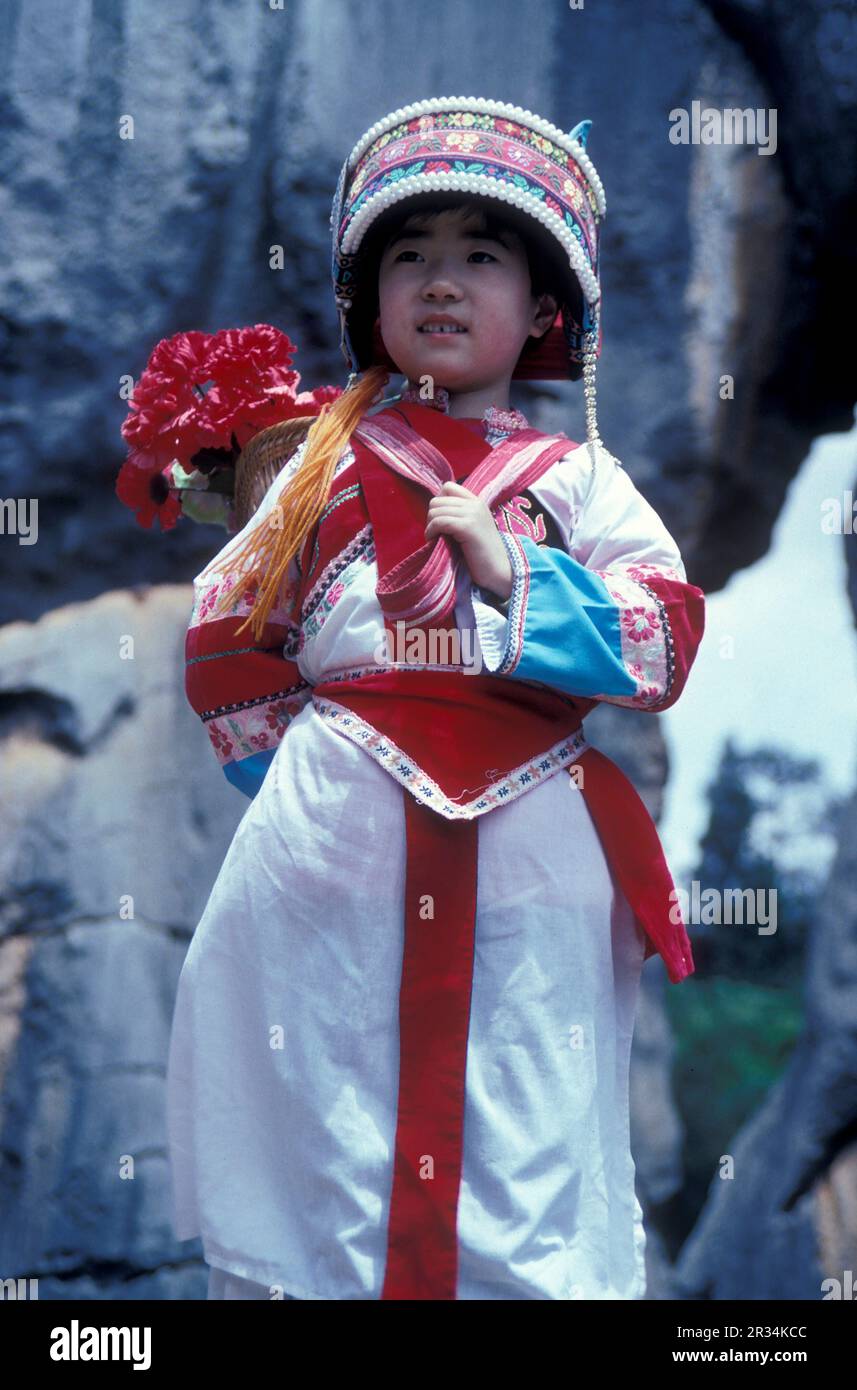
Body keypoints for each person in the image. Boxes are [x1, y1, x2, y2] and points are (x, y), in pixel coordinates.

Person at [166, 97, 705, 1301]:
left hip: (532, 839)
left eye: (478, 253)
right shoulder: (315, 464)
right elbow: (225, 637)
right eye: (409, 256)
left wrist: (522, 578)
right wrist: (307, 787)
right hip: (331, 839)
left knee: (525, 1119)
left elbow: (665, 638)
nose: (440, 282)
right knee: (319, 1103)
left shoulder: (577, 478)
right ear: (369, 303)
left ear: (544, 307)